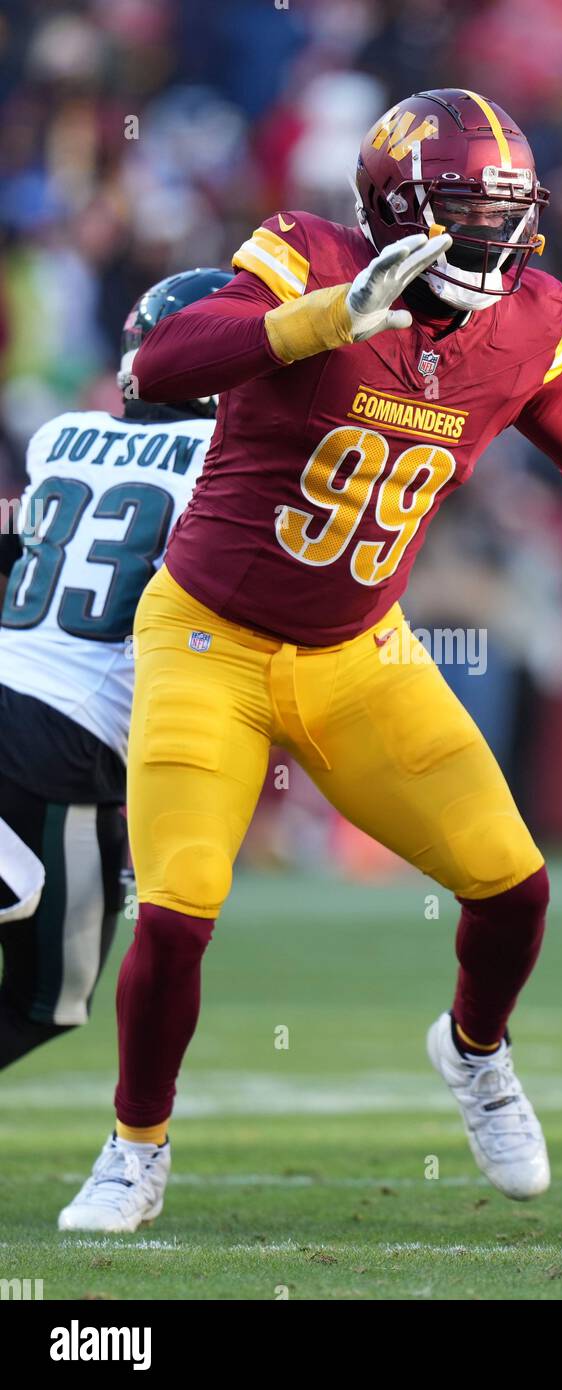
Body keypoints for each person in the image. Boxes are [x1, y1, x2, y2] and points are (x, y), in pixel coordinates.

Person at [58, 90, 562, 1233]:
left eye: (509, 209)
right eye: (467, 207)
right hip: (209, 636)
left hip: (359, 653)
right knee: (176, 910)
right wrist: (330, 317)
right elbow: (162, 361)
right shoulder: (309, 253)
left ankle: (473, 1052)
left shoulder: (526, 316)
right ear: (395, 207)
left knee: (513, 886)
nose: (495, 234)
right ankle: (134, 1147)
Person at [0, 269, 229, 1070]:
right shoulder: (224, 460)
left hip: (36, 703)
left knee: (58, 997)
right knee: (44, 994)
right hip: (70, 738)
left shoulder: (61, 435)